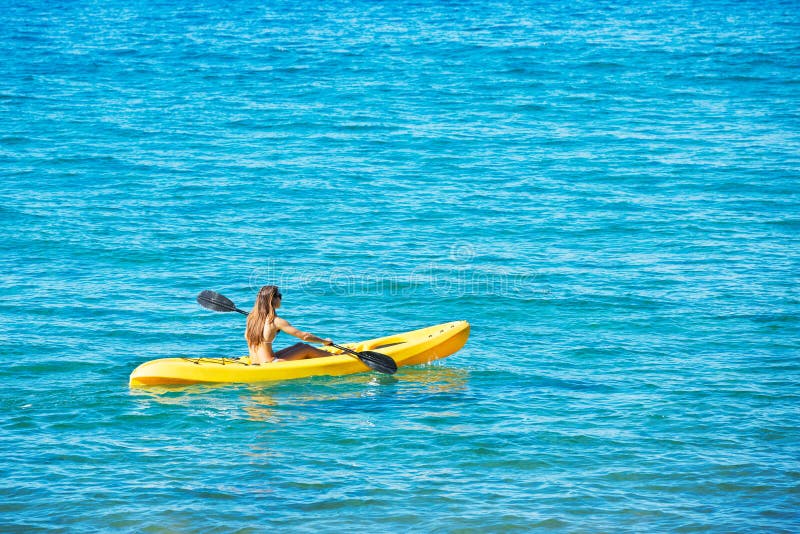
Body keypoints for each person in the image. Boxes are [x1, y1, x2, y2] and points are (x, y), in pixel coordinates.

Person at [245, 285, 333, 365]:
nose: (280, 299)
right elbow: (305, 336)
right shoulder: (276, 321)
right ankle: (334, 358)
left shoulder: (251, 318)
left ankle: (329, 355)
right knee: (306, 348)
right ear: (272, 299)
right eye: (279, 296)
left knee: (300, 345)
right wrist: (324, 341)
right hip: (270, 363)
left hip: (255, 362)